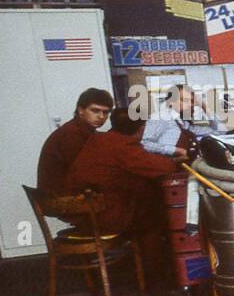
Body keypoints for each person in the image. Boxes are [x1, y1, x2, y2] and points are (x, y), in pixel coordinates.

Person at [67, 108, 180, 281]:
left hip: (83, 211)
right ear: (142, 128)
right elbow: (165, 168)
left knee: (146, 204)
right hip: (104, 216)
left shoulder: (99, 139)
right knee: (155, 218)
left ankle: (147, 272)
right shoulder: (124, 146)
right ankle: (153, 277)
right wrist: (175, 158)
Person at [37, 88, 114, 197]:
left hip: (66, 195)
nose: (101, 116)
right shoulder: (71, 134)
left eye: (105, 112)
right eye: (95, 110)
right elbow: (84, 173)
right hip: (63, 199)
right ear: (81, 110)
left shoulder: (81, 130)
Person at [140, 84, 228, 158]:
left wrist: (205, 107)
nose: (190, 104)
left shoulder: (183, 124)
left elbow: (220, 132)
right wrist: (175, 150)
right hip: (166, 168)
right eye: (184, 100)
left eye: (191, 101)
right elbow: (143, 143)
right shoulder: (161, 118)